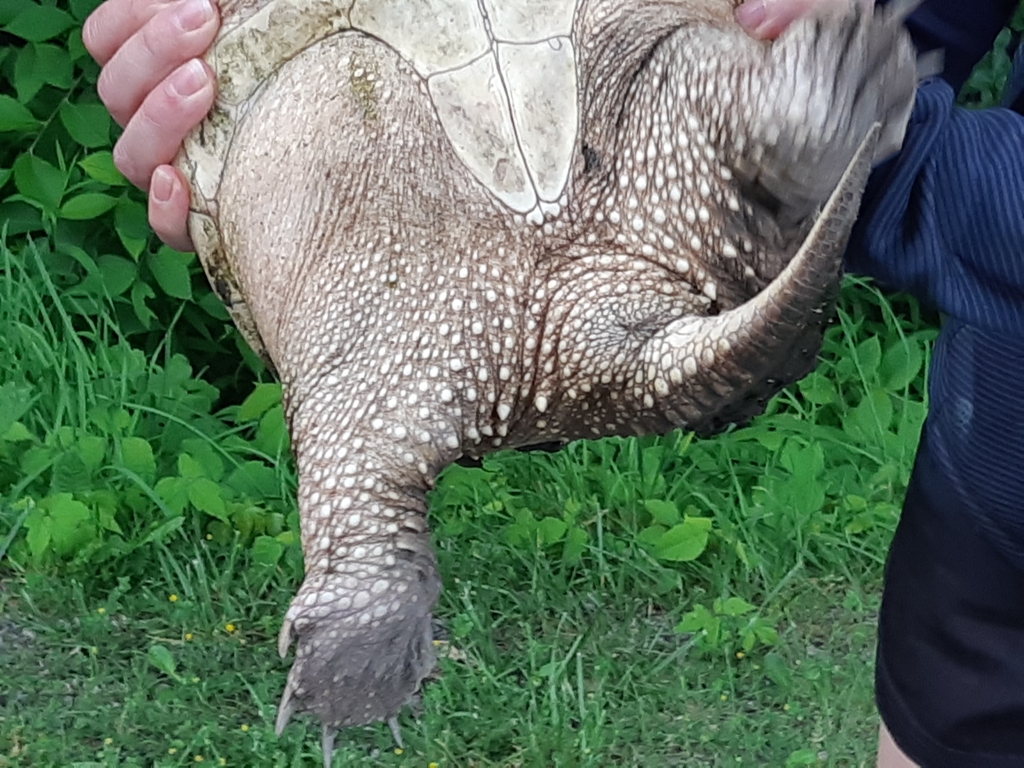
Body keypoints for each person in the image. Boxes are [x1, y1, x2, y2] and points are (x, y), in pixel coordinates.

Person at [83, 1, 1024, 765]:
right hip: (992, 515)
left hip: (435, 148)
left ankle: (361, 562)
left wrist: (897, 166)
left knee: (367, 415)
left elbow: (869, 117)